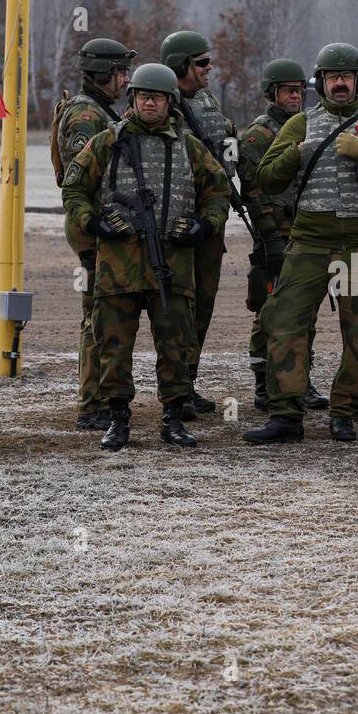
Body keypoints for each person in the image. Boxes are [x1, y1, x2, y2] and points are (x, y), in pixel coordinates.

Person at [243, 42, 358, 444]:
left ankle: (345, 413)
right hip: (310, 240)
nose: (340, 83)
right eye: (333, 77)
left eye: (347, 76)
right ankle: (285, 415)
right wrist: (293, 155)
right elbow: (266, 179)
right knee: (284, 322)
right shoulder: (299, 124)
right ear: (320, 82)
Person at [61, 63, 230, 450]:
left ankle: (172, 418)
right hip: (117, 268)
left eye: (155, 97)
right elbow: (74, 189)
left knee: (176, 345)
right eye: (141, 96)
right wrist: (94, 223)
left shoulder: (189, 147)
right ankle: (117, 419)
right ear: (132, 98)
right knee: (113, 347)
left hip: (172, 265)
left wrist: (205, 226)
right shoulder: (107, 142)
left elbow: (218, 190)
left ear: (170, 101)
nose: (148, 103)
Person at [50, 37, 135, 430]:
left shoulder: (99, 110)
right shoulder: (87, 116)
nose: (125, 79)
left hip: (101, 224)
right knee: (97, 315)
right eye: (120, 72)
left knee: (101, 312)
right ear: (103, 74)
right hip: (93, 227)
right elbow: (81, 177)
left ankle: (96, 399)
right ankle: (92, 404)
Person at [236, 58, 329, 411]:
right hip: (275, 238)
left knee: (304, 312)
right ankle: (264, 383)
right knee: (269, 312)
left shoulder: (307, 127)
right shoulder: (260, 134)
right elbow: (253, 190)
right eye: (288, 91)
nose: (295, 97)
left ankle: (299, 379)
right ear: (272, 93)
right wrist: (270, 238)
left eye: (299, 91)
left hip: (306, 234)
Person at [160, 30, 236, 417]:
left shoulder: (206, 100)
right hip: (172, 226)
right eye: (202, 62)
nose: (210, 68)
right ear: (180, 66)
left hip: (210, 220)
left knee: (202, 305)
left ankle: (187, 380)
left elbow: (226, 142)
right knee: (175, 308)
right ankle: (172, 388)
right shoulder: (157, 102)